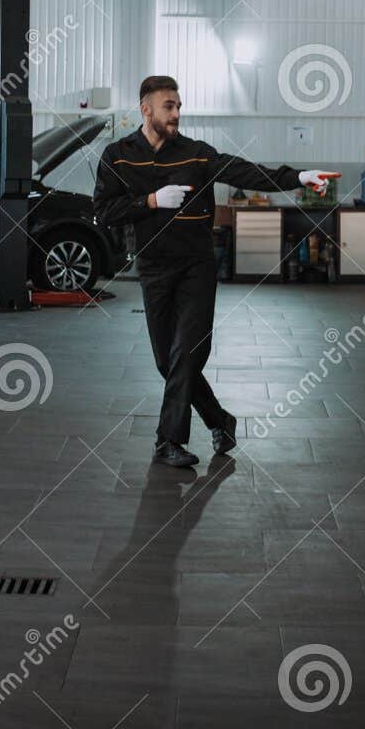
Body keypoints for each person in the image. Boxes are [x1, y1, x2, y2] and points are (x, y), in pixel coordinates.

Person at [93, 75, 336, 468]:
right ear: (146, 109)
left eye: (178, 105)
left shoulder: (196, 153)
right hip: (154, 268)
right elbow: (103, 212)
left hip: (196, 267)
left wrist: (297, 178)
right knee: (165, 361)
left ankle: (167, 441)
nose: (176, 113)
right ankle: (220, 421)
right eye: (168, 106)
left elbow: (243, 172)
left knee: (187, 351)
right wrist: (151, 201)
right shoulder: (118, 156)